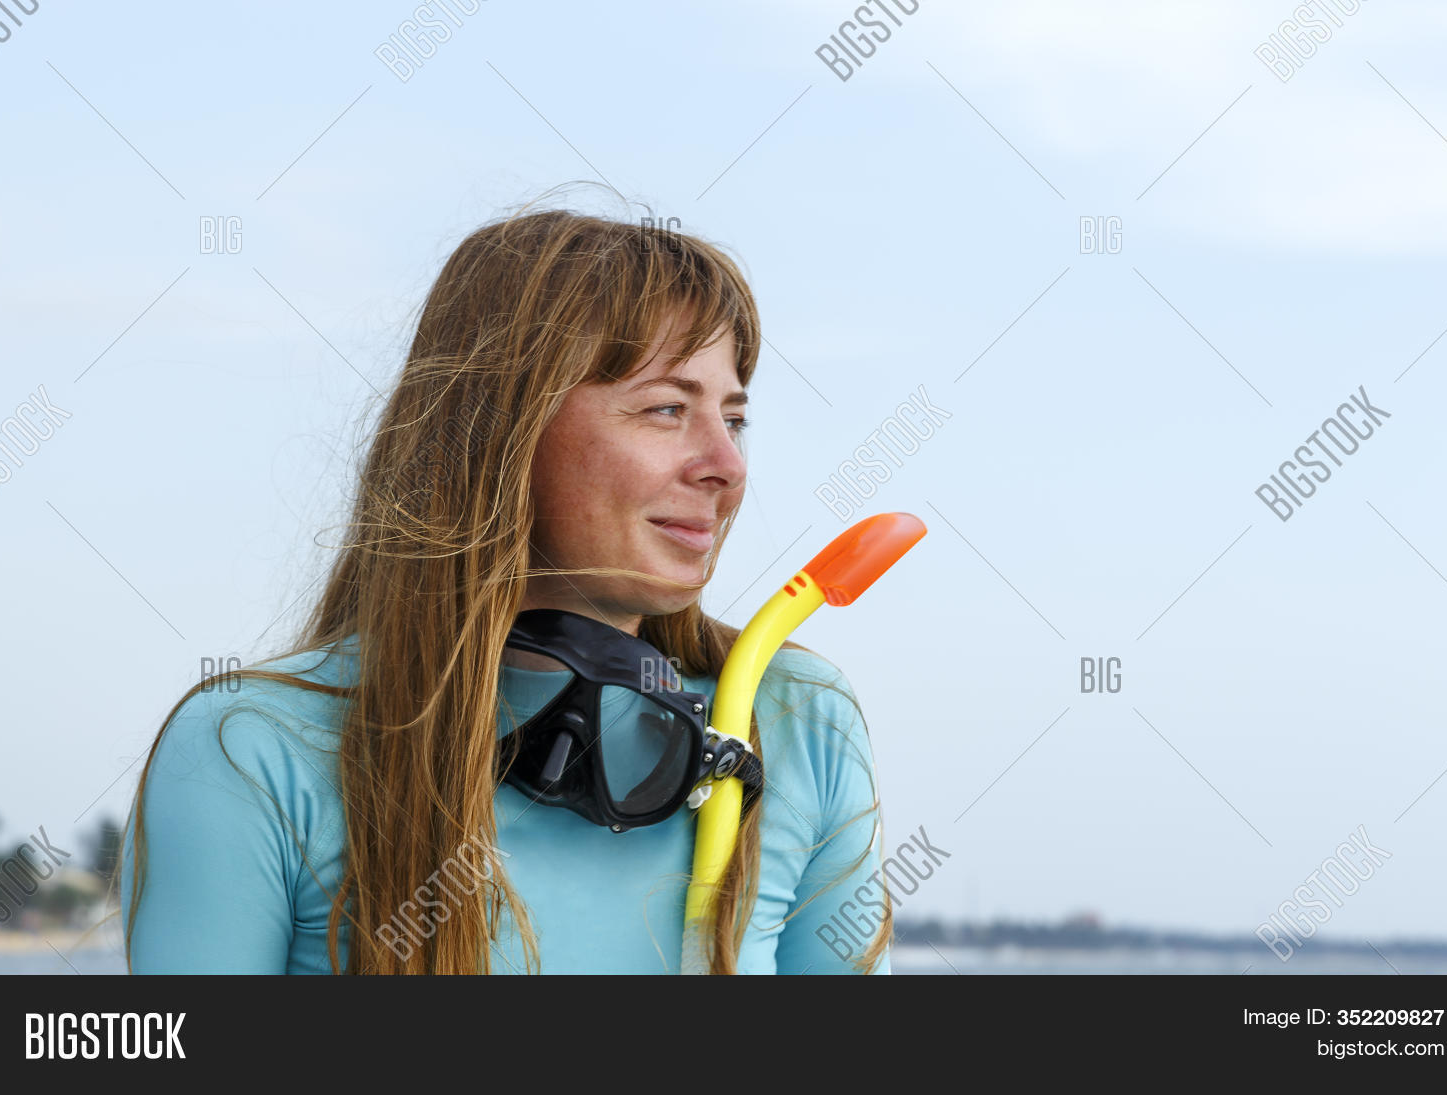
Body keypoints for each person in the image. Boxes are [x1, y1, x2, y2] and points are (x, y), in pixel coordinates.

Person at [118, 201, 891, 974]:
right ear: (500, 433)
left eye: (734, 418)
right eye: (666, 409)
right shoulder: (248, 749)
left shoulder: (800, 718)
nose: (726, 465)